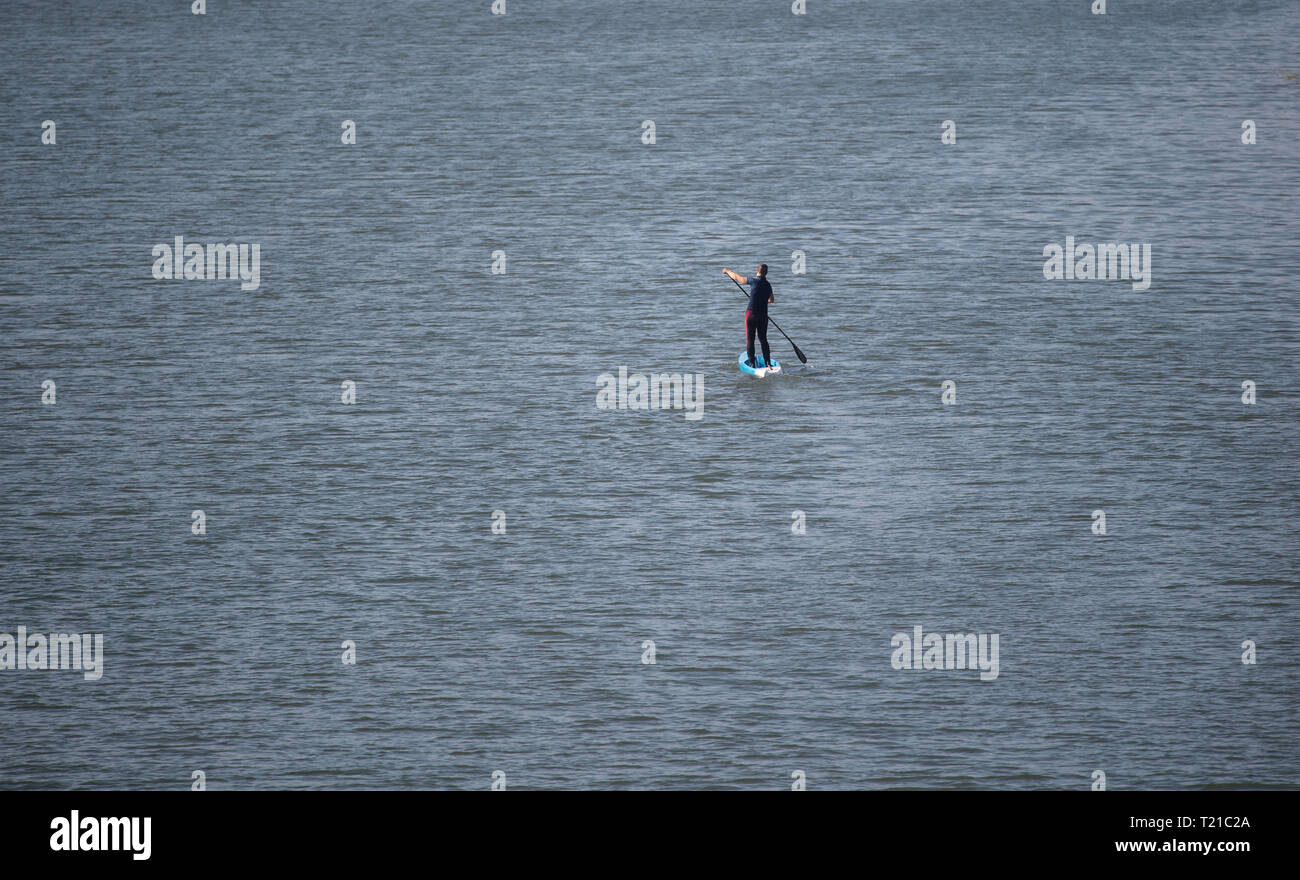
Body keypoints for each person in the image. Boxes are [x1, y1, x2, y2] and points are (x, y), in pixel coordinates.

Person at [723, 264, 773, 368]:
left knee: (750, 339)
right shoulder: (768, 285)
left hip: (751, 314)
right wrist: (763, 299)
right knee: (763, 339)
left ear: (757, 271)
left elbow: (738, 278)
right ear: (766, 273)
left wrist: (727, 271)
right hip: (763, 316)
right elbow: (771, 300)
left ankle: (751, 363)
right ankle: (768, 362)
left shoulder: (753, 281)